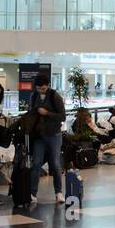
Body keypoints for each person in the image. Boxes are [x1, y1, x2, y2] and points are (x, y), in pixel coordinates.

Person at [27, 73, 66, 205]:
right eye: (38, 88)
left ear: (48, 85)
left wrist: (47, 113)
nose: (41, 91)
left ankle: (58, 192)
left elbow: (63, 116)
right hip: (39, 135)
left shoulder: (55, 96)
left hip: (54, 134)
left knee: (55, 164)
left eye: (43, 88)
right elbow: (31, 113)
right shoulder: (34, 96)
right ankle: (32, 193)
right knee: (36, 163)